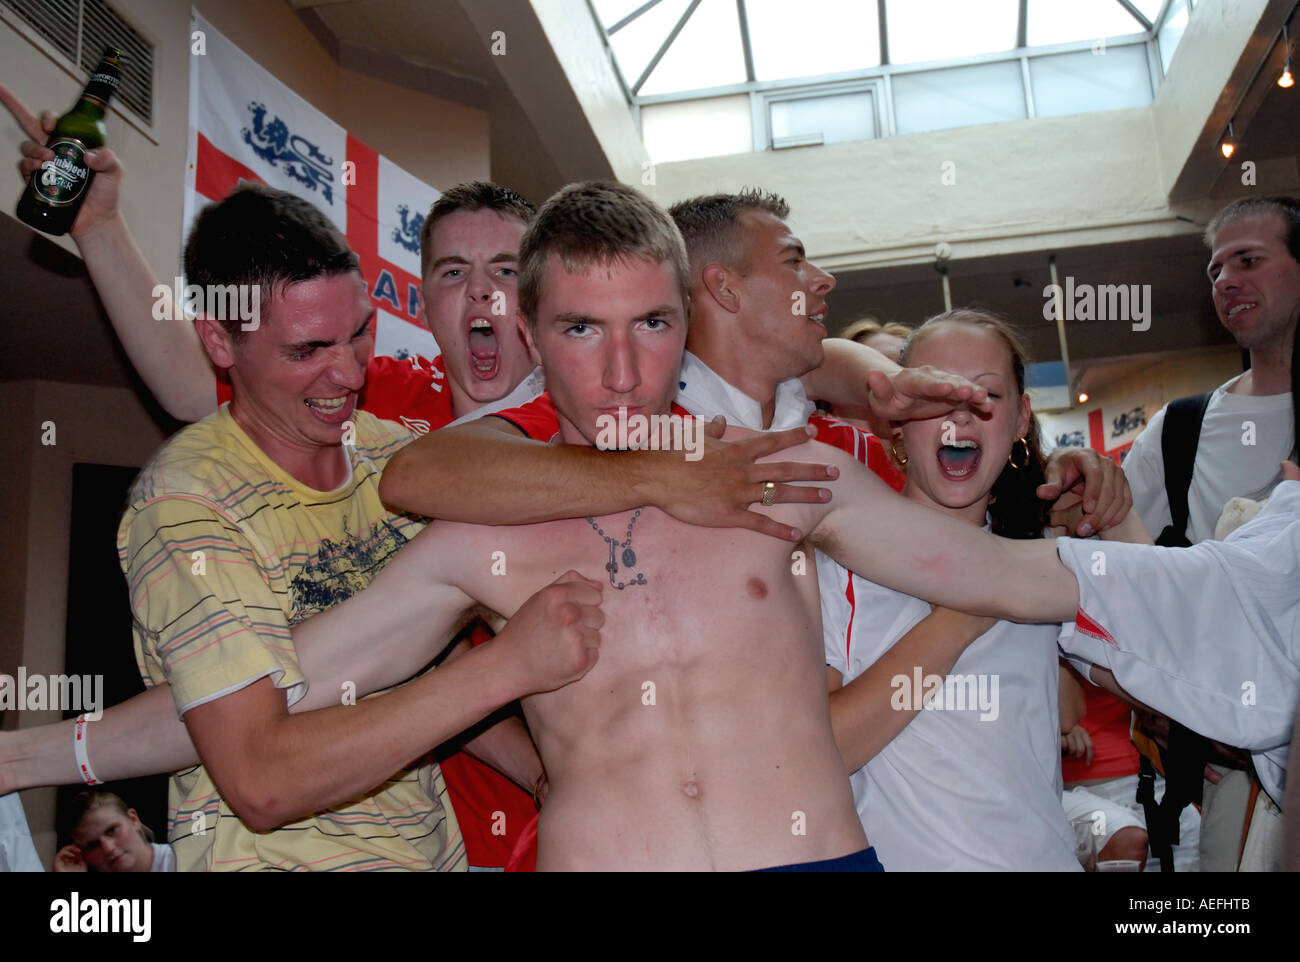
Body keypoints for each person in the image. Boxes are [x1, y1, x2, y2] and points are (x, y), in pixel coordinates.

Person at [815, 309, 1135, 870]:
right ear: (897, 417)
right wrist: (963, 615)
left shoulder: (1046, 561)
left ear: (1020, 418)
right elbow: (821, 754)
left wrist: (1111, 509)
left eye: (986, 394)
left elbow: (1159, 672)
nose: (958, 416)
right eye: (936, 393)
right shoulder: (835, 563)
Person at [1118, 195, 1298, 871]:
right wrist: (1151, 692)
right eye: (1215, 268)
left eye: (1249, 260)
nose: (1225, 280)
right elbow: (1108, 574)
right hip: (1234, 777)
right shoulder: (1182, 428)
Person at [51, 791, 175, 873]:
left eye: (112, 831)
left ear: (134, 819)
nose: (108, 848)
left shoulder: (181, 860)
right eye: (93, 845)